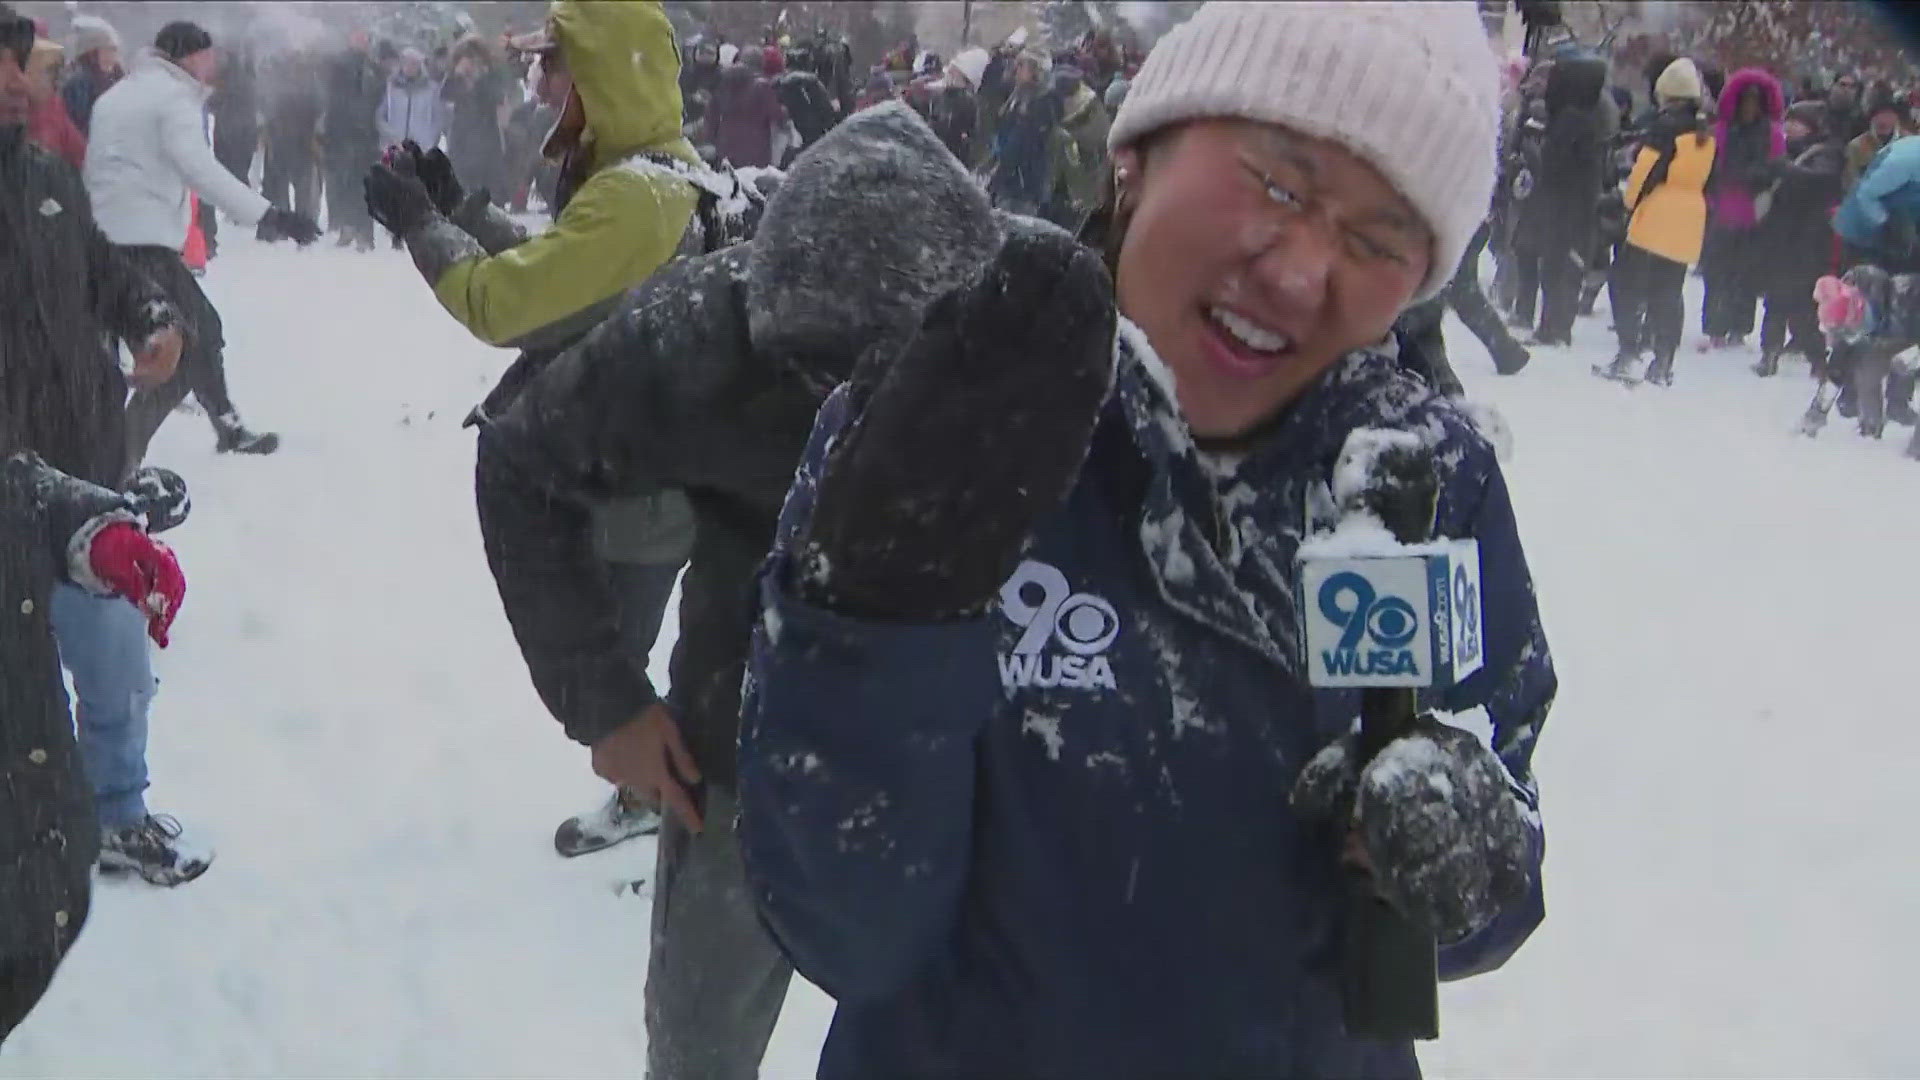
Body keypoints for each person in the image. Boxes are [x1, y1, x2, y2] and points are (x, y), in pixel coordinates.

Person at [739, 4, 1553, 1077]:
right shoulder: (944, 421)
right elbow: (847, 928)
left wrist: (1468, 867)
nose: (1300, 273)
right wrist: (873, 619)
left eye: (1376, 241)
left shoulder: (1425, 480)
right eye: (1279, 184)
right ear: (1135, 158)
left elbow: (1499, 845)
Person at [474, 99, 996, 1080]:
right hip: (744, 730)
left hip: (970, 744)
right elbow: (519, 465)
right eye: (817, 384)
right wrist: (603, 701)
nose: (845, 422)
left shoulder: (1036, 325)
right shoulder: (701, 331)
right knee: (701, 1049)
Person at [363, 0, 706, 862]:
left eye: (557, 62)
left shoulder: (635, 195)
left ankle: (669, 800)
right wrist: (458, 208)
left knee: (618, 671)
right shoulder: (655, 172)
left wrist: (422, 227)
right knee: (632, 656)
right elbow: (568, 277)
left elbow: (509, 304)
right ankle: (660, 789)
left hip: (636, 484)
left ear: (603, 71)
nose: (542, 81)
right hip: (647, 465)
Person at [1, 8, 208, 890]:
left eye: (19, 65)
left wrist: (150, 317)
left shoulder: (45, 176)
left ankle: (115, 813)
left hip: (83, 469)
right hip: (18, 493)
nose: (19, 84)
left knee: (116, 656)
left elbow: (99, 268)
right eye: (0, 68)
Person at [0, 448, 187, 1043]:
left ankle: (117, 816)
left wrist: (95, 525)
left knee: (123, 681)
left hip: (55, 532)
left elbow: (14, 477)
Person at [85, 21, 321, 468]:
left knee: (148, 343)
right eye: (208, 55)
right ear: (189, 56)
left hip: (103, 239)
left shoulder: (116, 96)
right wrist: (268, 215)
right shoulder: (172, 99)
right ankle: (123, 450)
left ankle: (220, 425)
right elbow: (199, 169)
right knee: (194, 336)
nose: (213, 64)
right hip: (144, 243)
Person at [1602, 58, 1717, 386]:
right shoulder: (1706, 131)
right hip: (1690, 216)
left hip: (1657, 213)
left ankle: (1628, 352)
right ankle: (1663, 361)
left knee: (1624, 283)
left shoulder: (1665, 127)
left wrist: (1628, 203)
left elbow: (1645, 172)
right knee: (1668, 291)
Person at [1752, 101, 1846, 378]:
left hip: (1809, 239)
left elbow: (1820, 183)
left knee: (1802, 305)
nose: (1790, 126)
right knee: (1775, 300)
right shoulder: (1785, 152)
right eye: (1789, 121)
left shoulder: (1826, 152)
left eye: (1798, 122)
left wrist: (1784, 170)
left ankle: (1818, 359)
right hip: (1781, 236)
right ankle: (1769, 353)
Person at [1699, 67, 1785, 352]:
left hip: (1754, 211)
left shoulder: (1772, 135)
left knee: (1746, 273)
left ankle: (1739, 325)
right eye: (1745, 100)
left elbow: (1777, 169)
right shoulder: (1720, 132)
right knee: (1717, 271)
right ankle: (1716, 326)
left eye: (1755, 101)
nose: (1750, 107)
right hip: (1721, 208)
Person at [1525, 52, 1607, 347]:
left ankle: (1554, 327)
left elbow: (1556, 164)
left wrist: (1534, 154)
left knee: (1558, 266)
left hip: (1565, 206)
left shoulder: (1571, 120)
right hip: (1575, 205)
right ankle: (1555, 325)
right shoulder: (1588, 116)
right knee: (1563, 265)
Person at [323, 29, 385, 249]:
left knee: (365, 186)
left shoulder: (375, 70)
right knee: (345, 184)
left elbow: (379, 100)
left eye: (364, 40)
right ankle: (347, 227)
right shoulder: (338, 67)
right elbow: (332, 100)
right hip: (343, 133)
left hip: (367, 136)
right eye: (357, 39)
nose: (360, 43)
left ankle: (365, 233)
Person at [988, 48, 1064, 216]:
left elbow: (1025, 143)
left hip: (1025, 183)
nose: (1016, 70)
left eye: (1022, 65)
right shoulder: (1017, 95)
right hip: (1008, 179)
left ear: (1036, 72)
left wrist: (1003, 167)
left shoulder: (1044, 103)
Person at [442, 36, 509, 204]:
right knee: (462, 189)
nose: (470, 64)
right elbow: (445, 96)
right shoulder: (454, 78)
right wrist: (461, 77)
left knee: (490, 193)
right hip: (461, 141)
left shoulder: (491, 77)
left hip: (487, 142)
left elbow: (497, 98)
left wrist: (479, 78)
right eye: (467, 58)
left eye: (474, 59)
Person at [261, 47, 324, 225]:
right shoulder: (297, 82)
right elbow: (270, 108)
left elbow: (319, 109)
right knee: (289, 187)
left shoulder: (309, 83)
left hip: (296, 141)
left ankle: (295, 223)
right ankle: (293, 223)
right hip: (289, 140)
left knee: (295, 187)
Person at [1051, 64, 1112, 233]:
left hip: (1084, 186)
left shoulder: (1080, 114)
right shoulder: (1091, 103)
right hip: (1087, 182)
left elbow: (1091, 141)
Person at [705, 52, 785, 169]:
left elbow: (711, 115)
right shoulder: (761, 86)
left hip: (725, 146)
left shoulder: (724, 82)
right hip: (755, 150)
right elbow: (777, 116)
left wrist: (712, 140)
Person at [24, 31, 83, 170]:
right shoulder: (12, 111)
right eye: (47, 71)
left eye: (54, 72)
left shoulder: (54, 106)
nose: (54, 80)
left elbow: (79, 152)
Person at [207, 39, 259, 187]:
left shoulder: (227, 80)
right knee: (240, 175)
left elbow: (213, 102)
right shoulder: (250, 78)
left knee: (229, 175)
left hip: (228, 134)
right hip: (245, 134)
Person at [58, 14, 120, 136]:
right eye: (107, 50)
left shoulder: (114, 79)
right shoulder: (79, 83)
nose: (111, 56)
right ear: (92, 54)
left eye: (113, 50)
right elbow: (79, 123)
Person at [376, 48, 444, 154]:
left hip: (421, 149)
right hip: (393, 147)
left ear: (420, 66)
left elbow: (438, 119)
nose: (409, 67)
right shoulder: (390, 87)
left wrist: (429, 141)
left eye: (414, 64)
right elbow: (380, 117)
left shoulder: (431, 90)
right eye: (406, 63)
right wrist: (391, 136)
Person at [1845, 96, 1909, 192]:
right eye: (1878, 116)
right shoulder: (1856, 146)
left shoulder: (1909, 143)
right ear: (1871, 119)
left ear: (1896, 118)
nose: (1883, 121)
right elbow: (1850, 181)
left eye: (1888, 116)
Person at [1826, 71, 1869, 146]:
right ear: (1833, 86)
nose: (1846, 89)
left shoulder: (1860, 119)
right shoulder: (1820, 112)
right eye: (1843, 85)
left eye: (1851, 87)